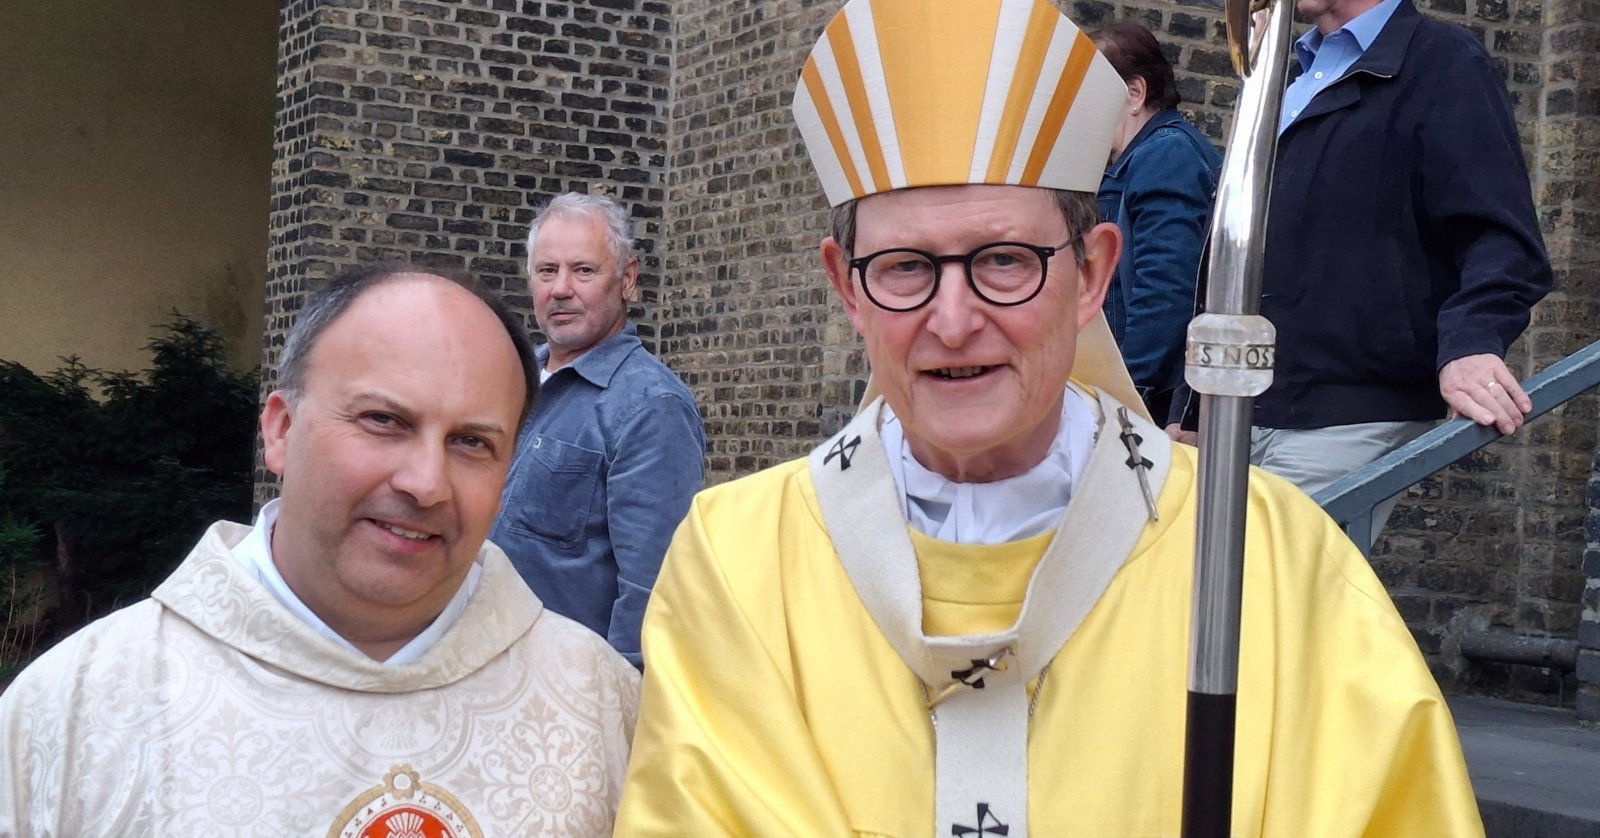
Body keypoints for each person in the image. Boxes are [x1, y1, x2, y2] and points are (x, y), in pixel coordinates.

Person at [615, 0, 1483, 835]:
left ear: (1094, 274)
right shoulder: (734, 560)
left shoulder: (1272, 559)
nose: (952, 321)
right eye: (906, 267)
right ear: (847, 286)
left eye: (1003, 260)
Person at [0, 265, 639, 836]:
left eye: (472, 442)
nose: (425, 484)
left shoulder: (602, 705)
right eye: (384, 421)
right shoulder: (78, 708)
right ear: (279, 431)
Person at [1250, 0, 1552, 531]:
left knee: (1258, 598)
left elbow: (1497, 230)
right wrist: (1193, 400)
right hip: (1239, 406)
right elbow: (1234, 245)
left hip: (1346, 413)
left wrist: (1472, 341)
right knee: (1201, 598)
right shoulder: (1289, 73)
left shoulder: (1444, 61)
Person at [490, 192, 705, 669]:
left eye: (583, 271)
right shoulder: (508, 383)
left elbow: (653, 591)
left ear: (627, 280)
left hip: (563, 693)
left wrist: (616, 709)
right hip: (479, 672)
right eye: (547, 271)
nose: (561, 288)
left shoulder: (651, 408)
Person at [1095, 21, 1222, 422]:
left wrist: (1124, 394)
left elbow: (1165, 291)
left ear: (1134, 94)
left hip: (1154, 399)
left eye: (1086, 95)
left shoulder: (1165, 155)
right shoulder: (1131, 159)